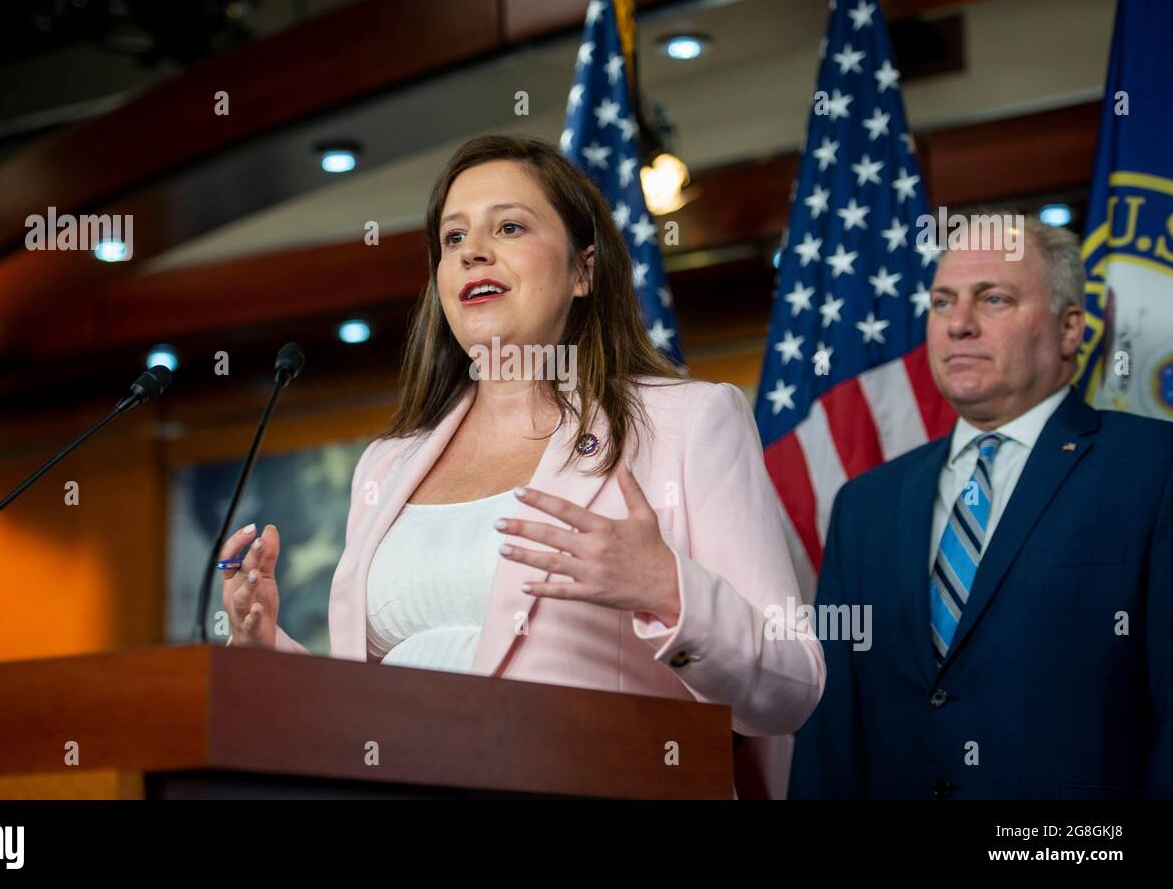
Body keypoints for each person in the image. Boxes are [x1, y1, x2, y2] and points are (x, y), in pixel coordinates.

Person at [218, 135, 824, 790]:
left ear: (583, 269)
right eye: (453, 239)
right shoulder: (385, 465)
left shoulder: (690, 422)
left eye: (509, 226)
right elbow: (368, 704)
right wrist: (267, 647)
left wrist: (664, 586)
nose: (472, 250)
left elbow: (791, 685)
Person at [788, 214, 1173, 799]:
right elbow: (832, 732)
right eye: (943, 302)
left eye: (993, 299)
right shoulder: (864, 506)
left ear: (1070, 328)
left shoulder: (1152, 467)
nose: (958, 325)